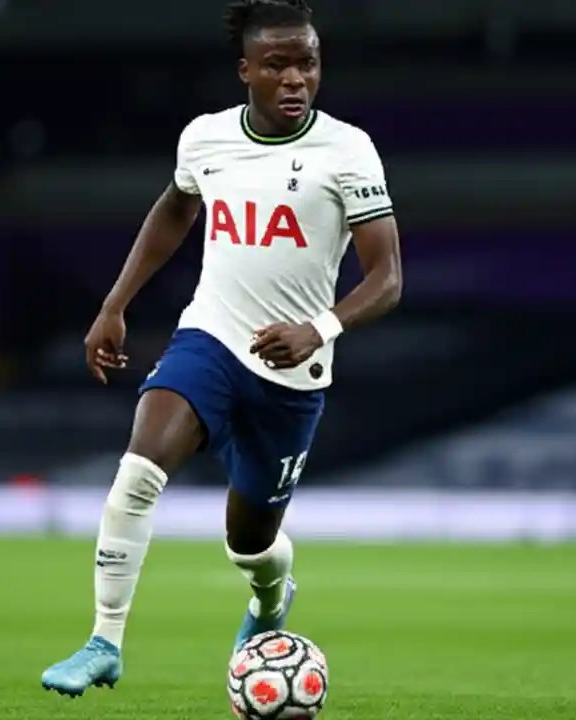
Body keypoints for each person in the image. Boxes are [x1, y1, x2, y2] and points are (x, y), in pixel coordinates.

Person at [41, 0, 402, 696]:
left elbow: (387, 278)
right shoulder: (206, 140)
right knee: (139, 469)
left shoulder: (347, 150)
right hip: (209, 338)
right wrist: (115, 305)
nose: (296, 79)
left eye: (308, 64)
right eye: (278, 65)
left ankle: (271, 599)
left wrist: (318, 329)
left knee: (250, 544)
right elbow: (176, 207)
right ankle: (103, 642)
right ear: (246, 71)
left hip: (293, 374)